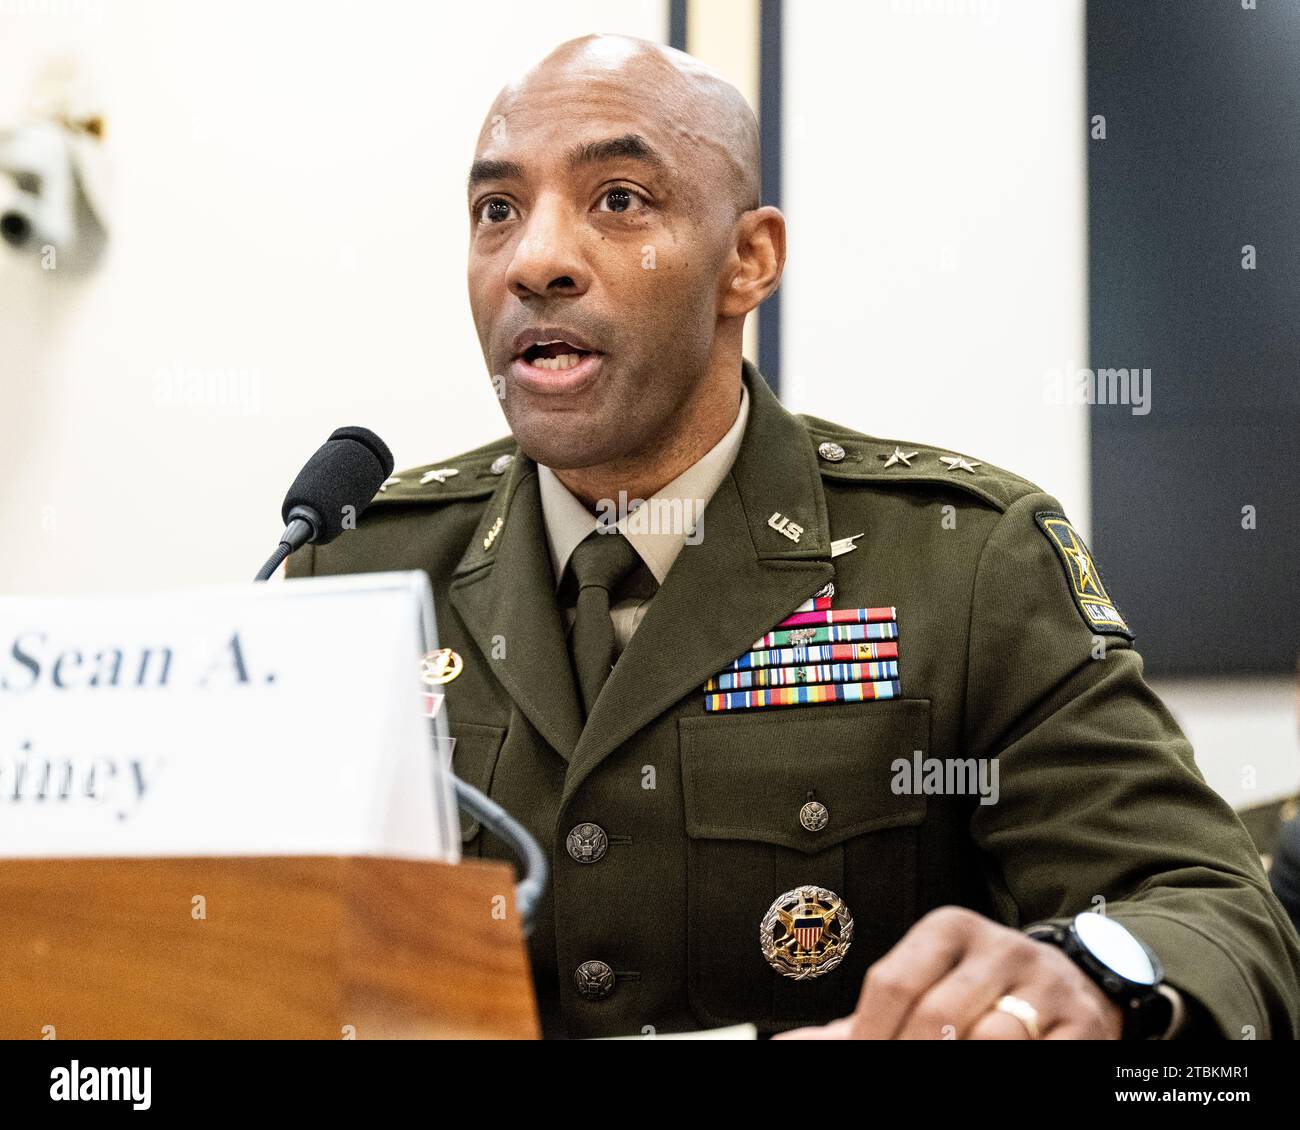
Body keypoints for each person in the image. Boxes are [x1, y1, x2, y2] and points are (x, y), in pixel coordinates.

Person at [287, 34, 1300, 1040]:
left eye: (619, 200)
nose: (536, 260)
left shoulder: (964, 557)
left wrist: (1084, 978)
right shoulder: (362, 563)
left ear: (749, 259)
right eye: (496, 210)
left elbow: (1212, 909)